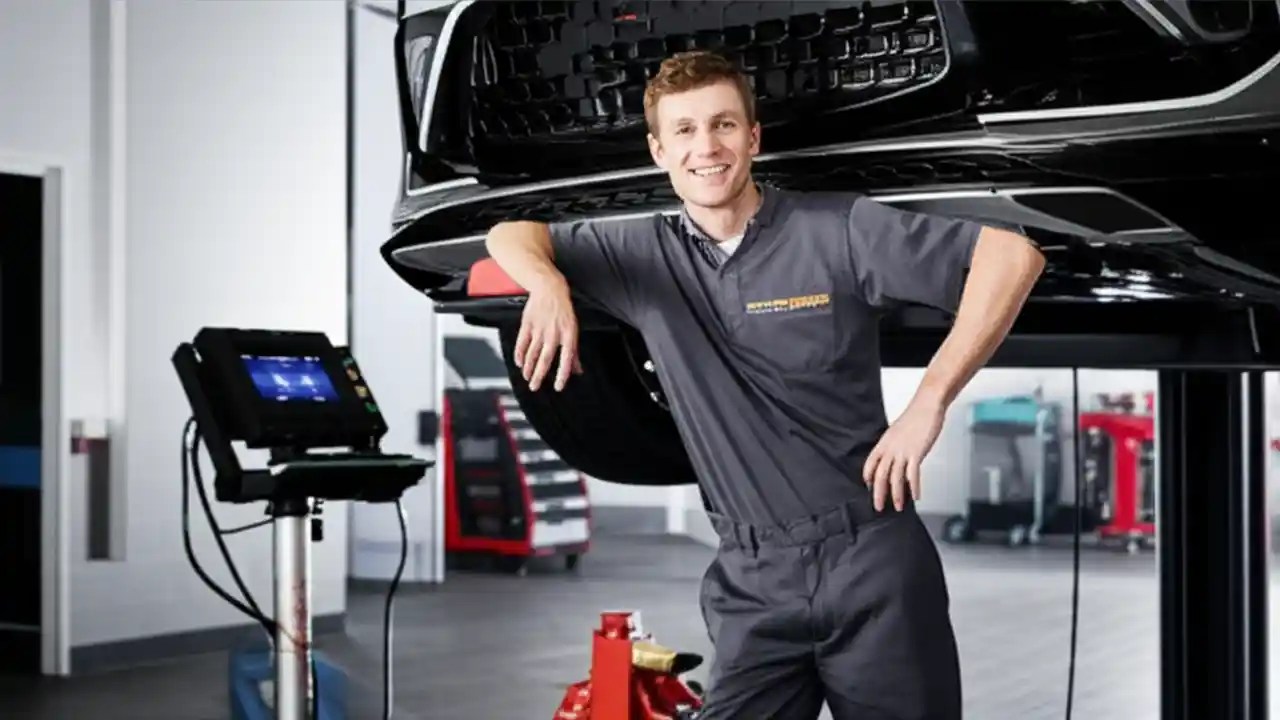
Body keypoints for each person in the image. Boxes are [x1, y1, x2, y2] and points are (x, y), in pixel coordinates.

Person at [485, 50, 1045, 720]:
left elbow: (1013, 255)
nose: (706, 147)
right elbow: (508, 233)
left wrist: (931, 400)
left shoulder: (837, 229)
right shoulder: (642, 257)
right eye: (685, 130)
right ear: (659, 151)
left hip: (872, 562)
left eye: (723, 125)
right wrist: (547, 284)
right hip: (750, 580)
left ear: (753, 137)